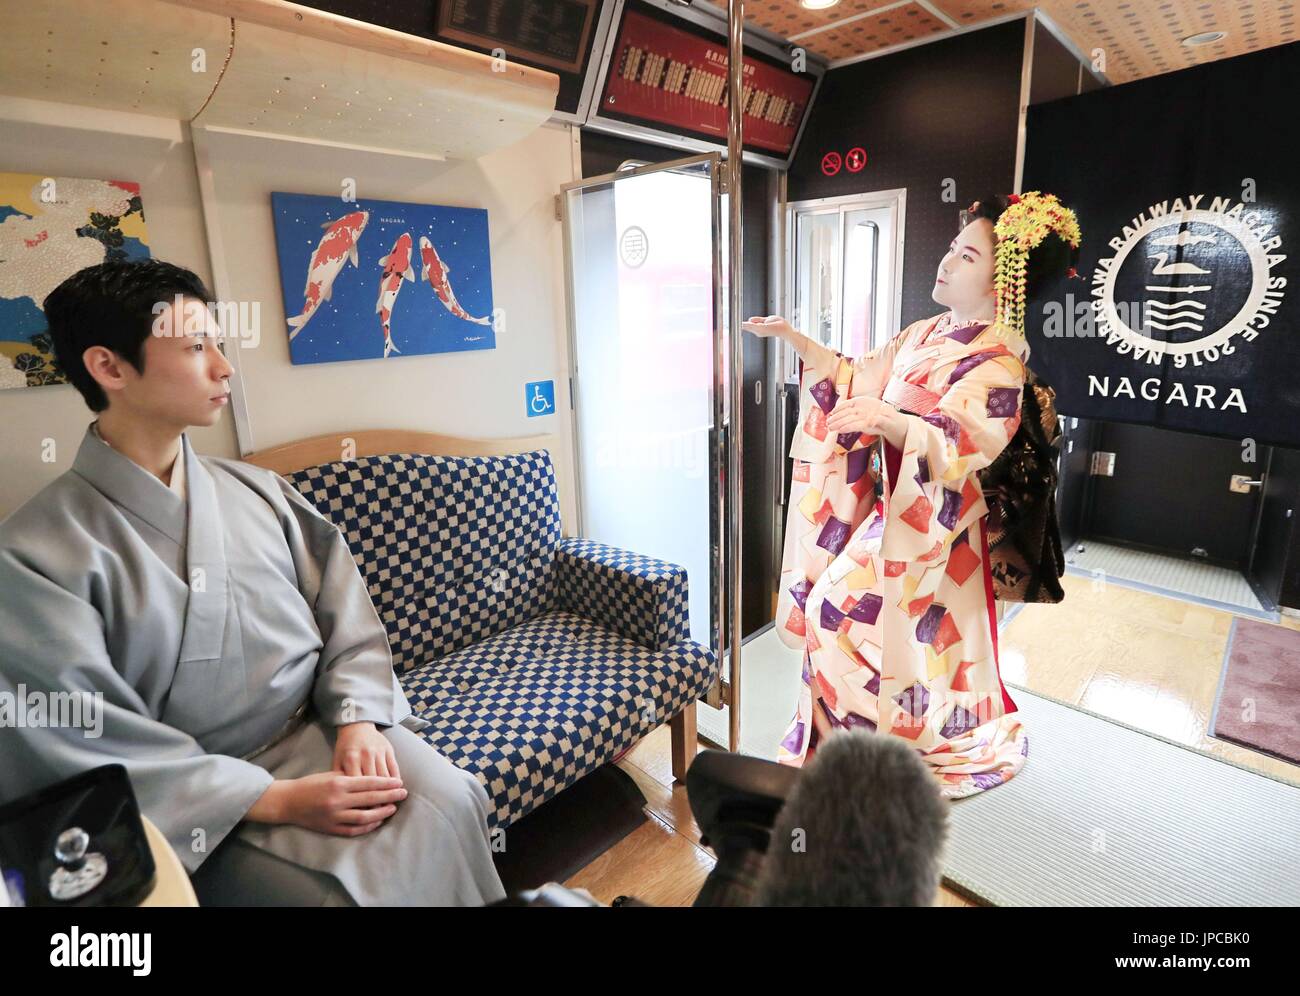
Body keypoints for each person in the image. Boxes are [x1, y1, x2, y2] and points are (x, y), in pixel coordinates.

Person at [0, 259, 507, 906]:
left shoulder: (257, 490)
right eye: (194, 347)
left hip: (323, 729)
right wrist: (272, 799)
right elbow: (70, 740)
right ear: (109, 368)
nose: (223, 367)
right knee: (325, 897)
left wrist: (357, 719)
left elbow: (343, 613)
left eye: (218, 343)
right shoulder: (33, 555)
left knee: (455, 796)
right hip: (196, 800)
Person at [743, 192, 1081, 799]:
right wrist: (795, 339)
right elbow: (854, 374)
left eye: (967, 255)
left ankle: (879, 745)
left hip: (939, 521)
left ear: (1001, 281)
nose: (947, 262)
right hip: (897, 508)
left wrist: (890, 421)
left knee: (850, 616)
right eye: (952, 249)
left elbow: (962, 439)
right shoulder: (924, 333)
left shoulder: (999, 362)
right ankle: (853, 739)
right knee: (874, 628)